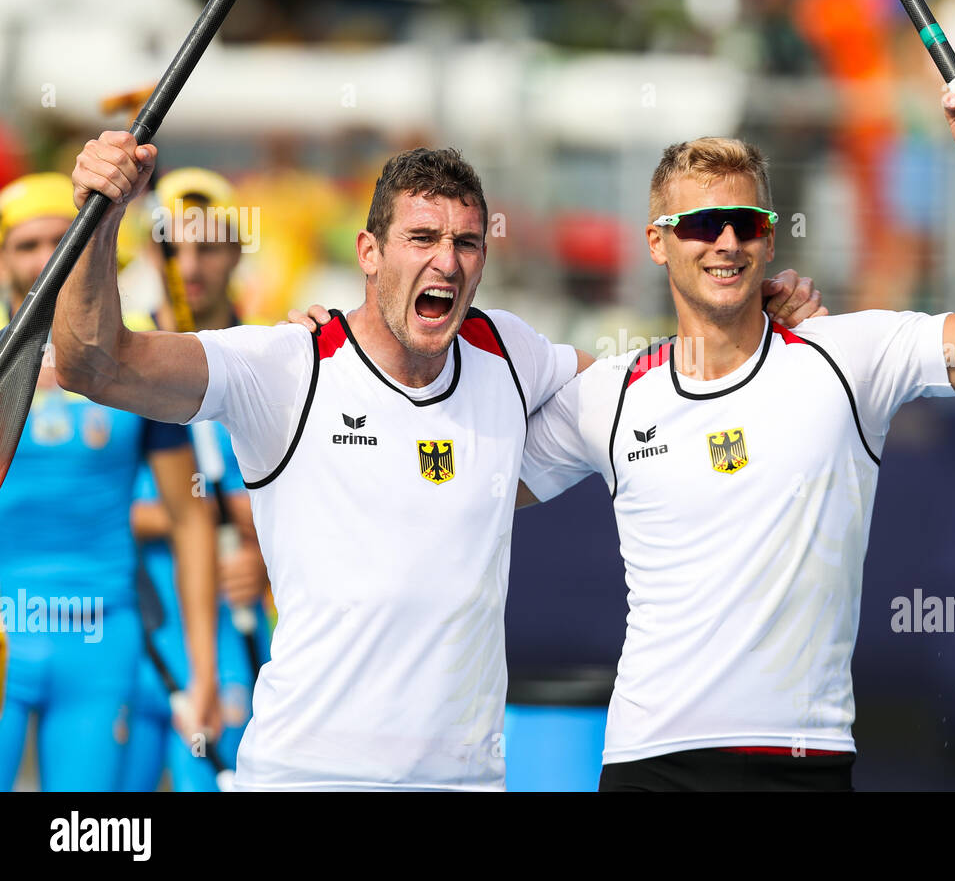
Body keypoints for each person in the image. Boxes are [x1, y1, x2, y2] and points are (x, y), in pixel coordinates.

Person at [54, 137, 823, 790]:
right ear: (368, 252)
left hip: (464, 778)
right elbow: (94, 362)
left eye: (466, 242)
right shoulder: (286, 364)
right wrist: (100, 214)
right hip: (305, 775)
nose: (446, 263)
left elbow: (657, 393)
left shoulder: (506, 350)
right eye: (421, 239)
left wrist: (754, 325)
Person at [515, 82, 955, 791]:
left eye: (746, 223)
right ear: (657, 241)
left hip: (803, 761)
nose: (727, 241)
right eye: (702, 224)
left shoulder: (848, 355)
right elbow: (471, 482)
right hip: (649, 764)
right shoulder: (609, 396)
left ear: (770, 237)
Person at [0, 172, 218, 791]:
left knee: (86, 833)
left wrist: (200, 668)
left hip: (100, 641)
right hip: (4, 634)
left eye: (59, 240)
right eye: (27, 245)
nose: (46, 257)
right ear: (3, 260)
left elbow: (189, 516)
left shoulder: (129, 375)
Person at [121, 167, 272, 792]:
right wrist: (192, 518)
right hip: (134, 620)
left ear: (236, 250)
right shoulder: (118, 356)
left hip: (233, 629)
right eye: (172, 246)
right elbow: (93, 504)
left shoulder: (275, 356)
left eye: (207, 245)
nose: (189, 266)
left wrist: (261, 550)